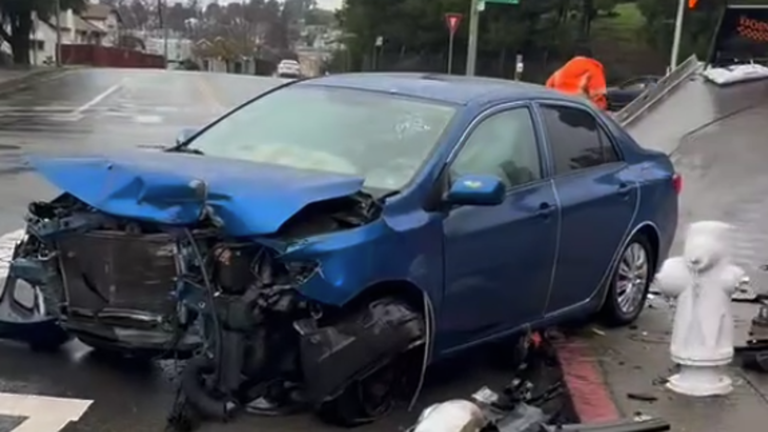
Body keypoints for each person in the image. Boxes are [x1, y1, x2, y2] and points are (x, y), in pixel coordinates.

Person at [545, 46, 608, 110]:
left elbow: (547, 88)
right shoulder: (592, 67)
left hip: (560, 108)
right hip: (579, 108)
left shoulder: (561, 71)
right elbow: (598, 95)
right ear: (591, 58)